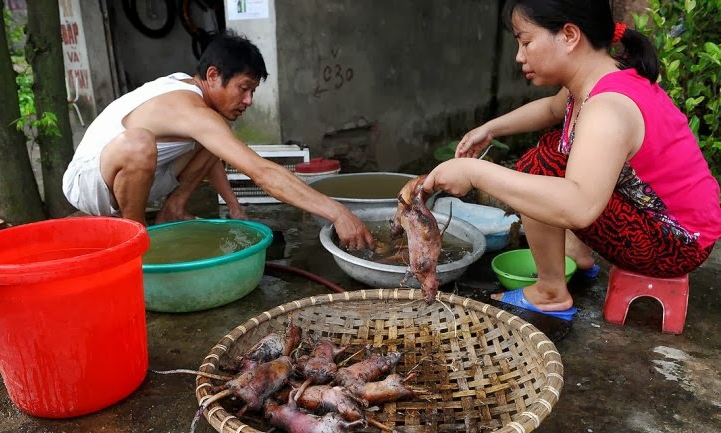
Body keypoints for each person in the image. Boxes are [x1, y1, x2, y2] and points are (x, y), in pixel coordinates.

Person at [423, 0, 721, 320]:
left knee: (540, 166)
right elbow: (551, 110)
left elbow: (580, 207)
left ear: (569, 36)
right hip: (678, 226)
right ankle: (576, 254)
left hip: (676, 245)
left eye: (526, 42)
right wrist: (490, 129)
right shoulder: (599, 79)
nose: (519, 56)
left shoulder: (608, 109)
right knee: (555, 151)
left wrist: (475, 171)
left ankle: (550, 292)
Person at [63, 31, 373, 250]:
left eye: (253, 92)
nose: (249, 100)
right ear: (213, 75)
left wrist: (236, 208)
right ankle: (135, 242)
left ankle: (174, 208)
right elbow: (261, 172)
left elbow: (214, 155)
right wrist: (336, 211)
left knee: (220, 138)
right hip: (89, 180)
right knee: (139, 143)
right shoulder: (188, 107)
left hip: (136, 173)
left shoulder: (197, 99)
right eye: (244, 88)